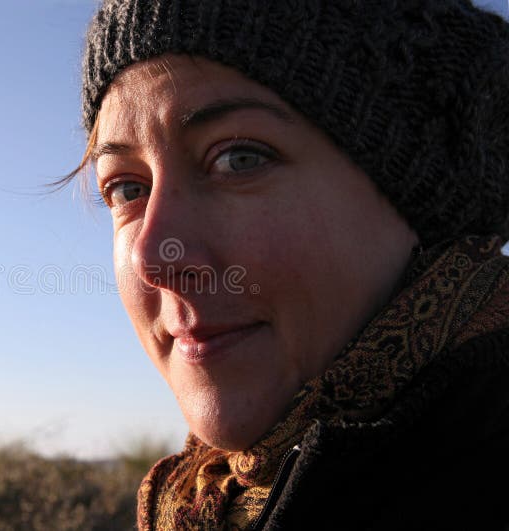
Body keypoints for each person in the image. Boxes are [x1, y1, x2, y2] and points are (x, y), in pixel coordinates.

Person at [63, 1, 509, 529]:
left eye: (238, 159)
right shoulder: (212, 497)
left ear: (420, 198)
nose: (155, 255)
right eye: (127, 189)